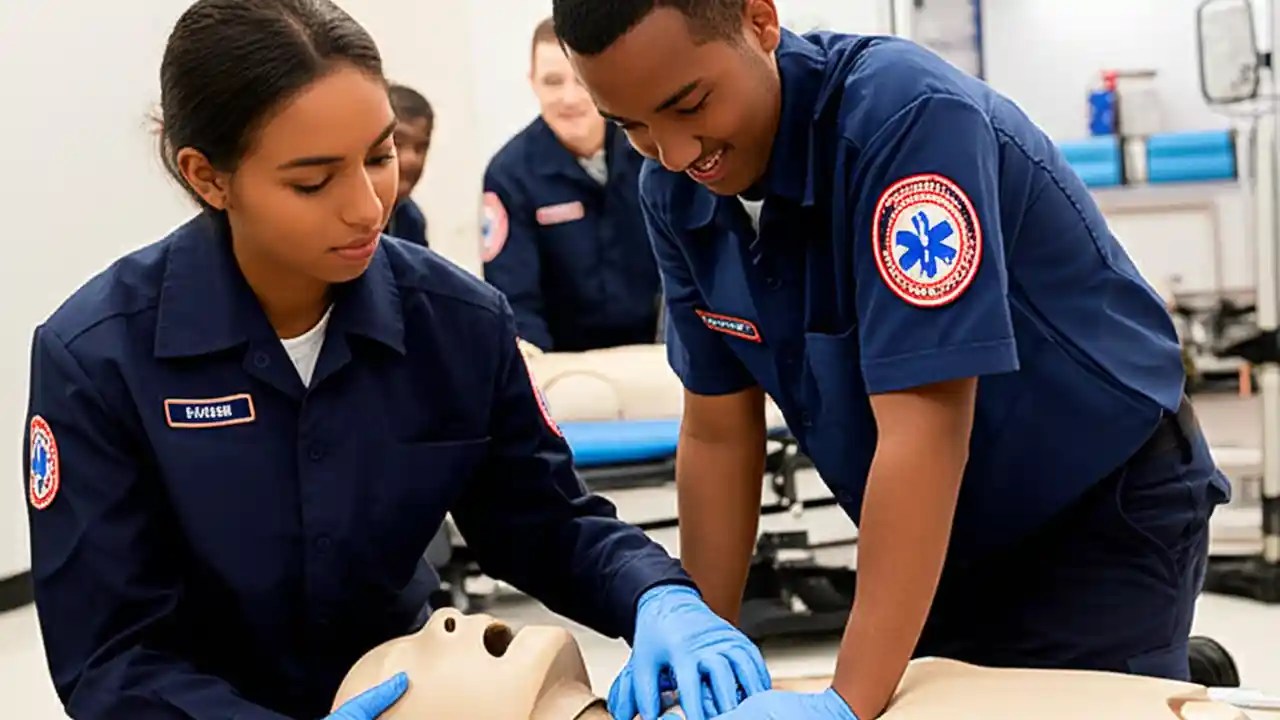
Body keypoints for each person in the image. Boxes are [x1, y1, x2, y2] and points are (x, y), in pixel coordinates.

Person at [21, 2, 768, 719]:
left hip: (407, 695)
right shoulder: (98, 360)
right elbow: (111, 657)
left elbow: (545, 522)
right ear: (207, 176)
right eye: (313, 182)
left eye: (380, 157)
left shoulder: (458, 323)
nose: (367, 206)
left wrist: (657, 596)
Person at [551, 1, 1233, 719]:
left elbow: (926, 425)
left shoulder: (906, 119)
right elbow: (719, 433)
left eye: (689, 105)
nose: (674, 151)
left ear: (759, 22)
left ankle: (1172, 666)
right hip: (942, 530)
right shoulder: (672, 190)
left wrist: (847, 702)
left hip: (1094, 506)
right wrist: (702, 639)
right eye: (630, 126)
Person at [481, 17, 662, 353]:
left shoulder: (653, 151)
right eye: (552, 82)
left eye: (581, 80)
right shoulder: (509, 174)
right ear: (532, 83)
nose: (569, 98)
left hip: (659, 354)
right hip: (566, 365)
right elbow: (515, 301)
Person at [384, 83, 432, 247]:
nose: (412, 160)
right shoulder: (340, 218)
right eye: (397, 142)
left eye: (421, 147)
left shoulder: (411, 220)